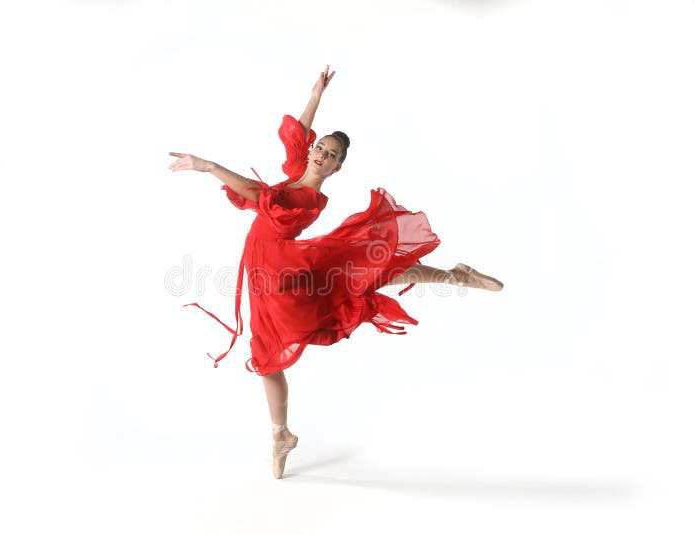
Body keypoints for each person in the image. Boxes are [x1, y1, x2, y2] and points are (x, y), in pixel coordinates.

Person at [169, 65, 503, 479]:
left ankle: (456, 277)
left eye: (331, 155)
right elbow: (297, 136)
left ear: (337, 169)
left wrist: (208, 166)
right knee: (269, 361)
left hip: (289, 271)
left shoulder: (308, 198)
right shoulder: (296, 172)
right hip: (264, 278)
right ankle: (281, 436)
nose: (322, 154)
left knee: (371, 270)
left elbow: (256, 193)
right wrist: (315, 96)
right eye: (321, 148)